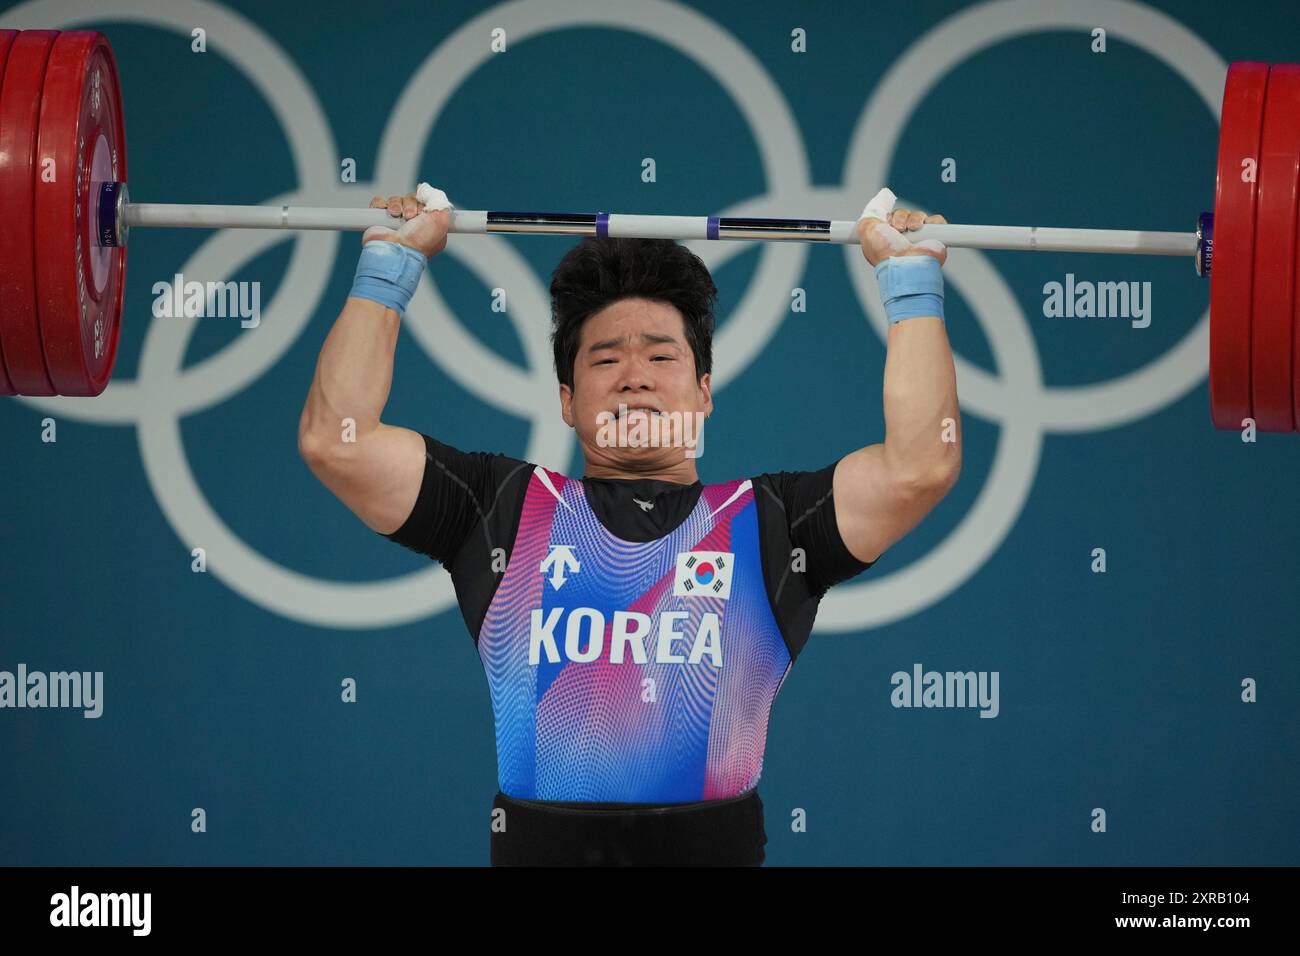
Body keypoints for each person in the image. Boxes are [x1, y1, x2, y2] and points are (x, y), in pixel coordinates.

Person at [297, 188, 961, 866]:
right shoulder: (499, 509)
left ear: (704, 391)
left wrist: (909, 281)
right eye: (606, 359)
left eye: (662, 357)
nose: (634, 377)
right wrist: (390, 264)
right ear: (567, 400)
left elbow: (919, 467)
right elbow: (338, 443)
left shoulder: (773, 523)